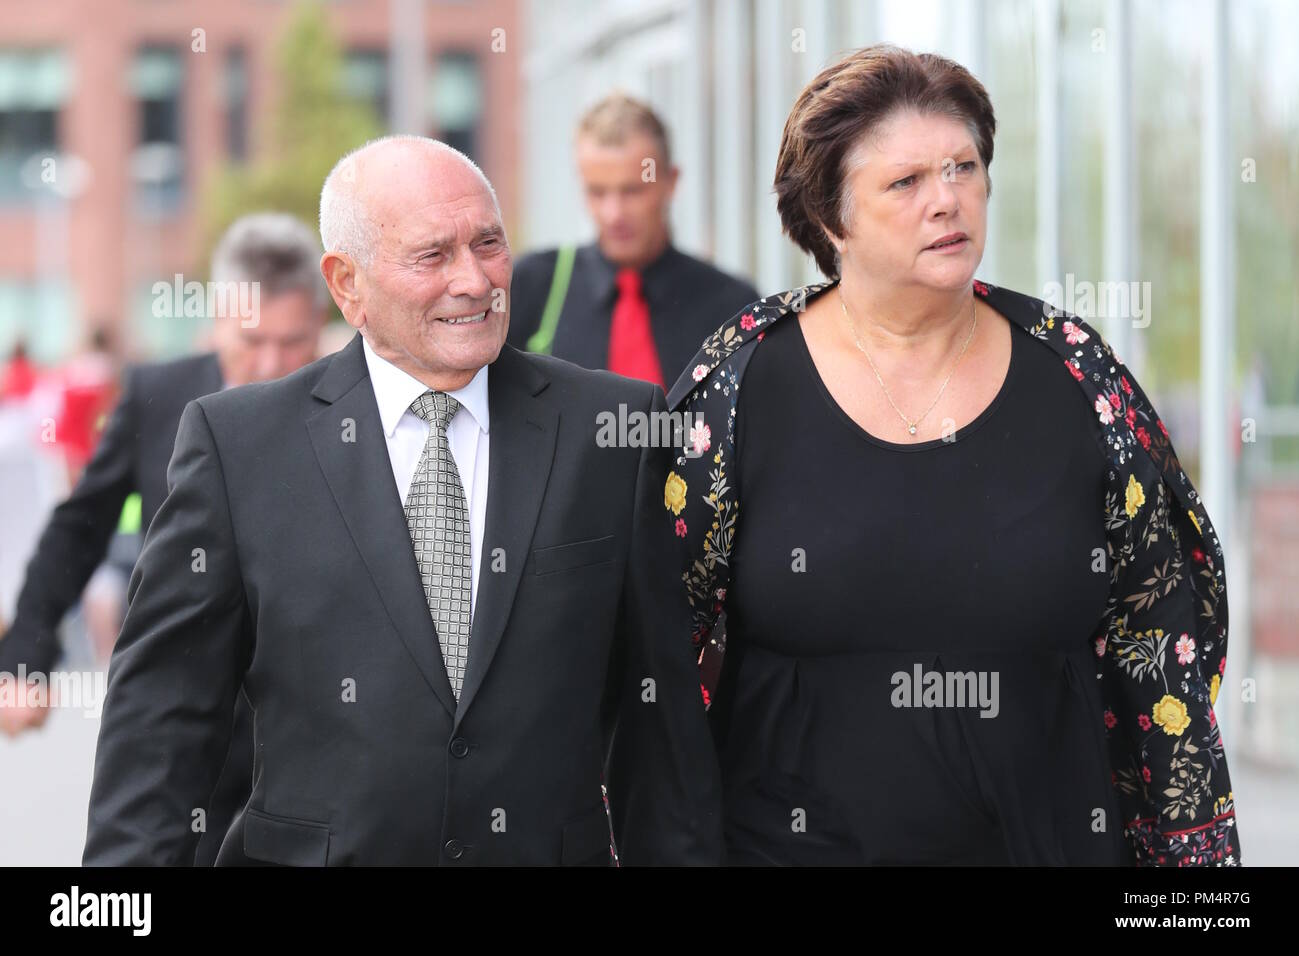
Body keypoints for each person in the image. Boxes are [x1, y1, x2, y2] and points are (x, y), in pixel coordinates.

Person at [666, 45, 1239, 866]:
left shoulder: (1078, 373)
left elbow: (1164, 639)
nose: (948, 200)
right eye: (905, 183)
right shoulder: (741, 380)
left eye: (963, 168)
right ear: (831, 218)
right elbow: (657, 642)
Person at [82, 135, 724, 866]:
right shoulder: (238, 448)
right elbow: (161, 721)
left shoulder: (611, 432)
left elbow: (662, 731)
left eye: (488, 244)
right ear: (346, 284)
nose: (476, 281)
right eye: (433, 255)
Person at [0, 212, 330, 868]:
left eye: (293, 342)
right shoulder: (159, 396)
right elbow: (79, 526)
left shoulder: (350, 407)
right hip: (183, 716)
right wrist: (24, 656)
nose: (270, 363)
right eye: (252, 338)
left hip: (307, 731)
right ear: (215, 318)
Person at [508, 93, 758, 390]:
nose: (614, 214)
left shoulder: (731, 304)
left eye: (632, 191)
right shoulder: (535, 287)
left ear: (671, 181)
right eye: (597, 192)